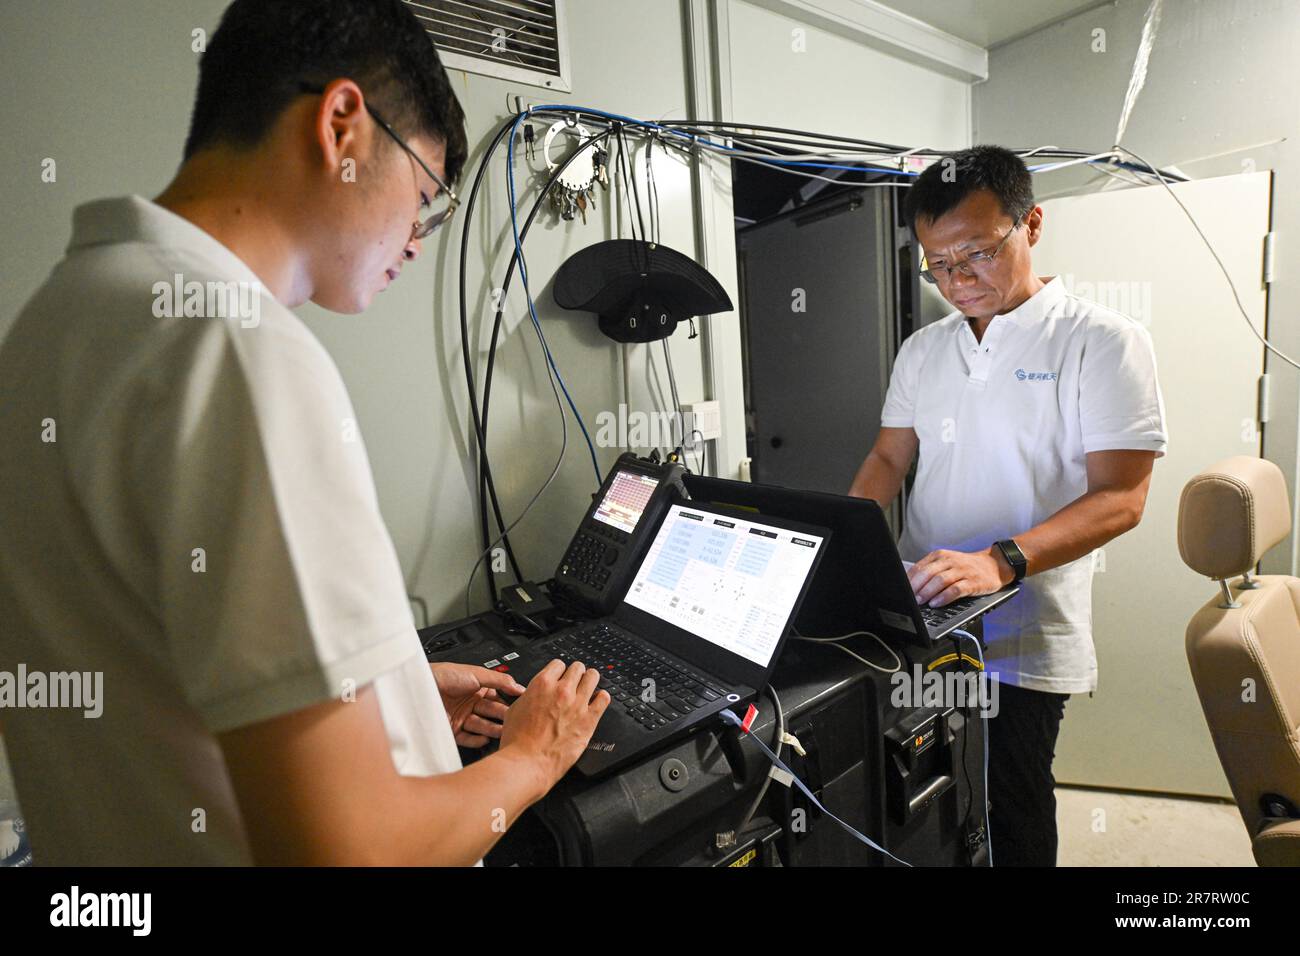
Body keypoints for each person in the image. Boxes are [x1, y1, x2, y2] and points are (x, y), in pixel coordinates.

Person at [0, 0, 608, 866]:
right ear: (342, 125)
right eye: (426, 200)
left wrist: (391, 694)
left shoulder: (58, 319)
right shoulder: (239, 350)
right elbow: (347, 852)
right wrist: (534, 758)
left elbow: (157, 676)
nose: (416, 241)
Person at [848, 145, 1168, 866]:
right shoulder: (924, 350)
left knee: (1009, 801)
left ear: (1032, 225)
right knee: (920, 795)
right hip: (922, 614)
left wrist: (1002, 562)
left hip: (1024, 631)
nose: (957, 281)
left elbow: (1123, 496)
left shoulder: (1102, 341)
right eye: (937, 263)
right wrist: (847, 550)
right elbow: (887, 459)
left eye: (977, 254)